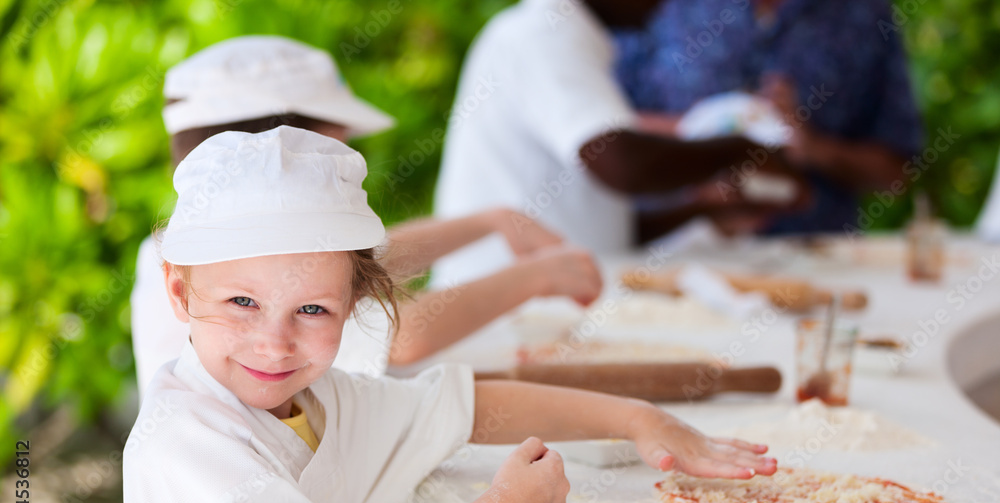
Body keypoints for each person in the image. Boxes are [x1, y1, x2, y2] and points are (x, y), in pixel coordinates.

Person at [123, 126, 777, 503]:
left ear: (356, 306)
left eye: (313, 309)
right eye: (241, 302)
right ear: (180, 293)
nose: (275, 342)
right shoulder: (186, 446)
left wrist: (636, 418)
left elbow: (463, 407)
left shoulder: (320, 401)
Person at [131, 36, 602, 393]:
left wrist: (491, 222)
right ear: (278, 150)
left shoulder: (206, 241)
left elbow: (368, 261)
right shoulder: (224, 255)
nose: (351, 156)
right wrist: (537, 278)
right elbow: (401, 334)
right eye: (338, 146)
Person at [430, 0, 807, 288]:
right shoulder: (543, 36)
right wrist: (739, 149)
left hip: (536, 305)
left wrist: (701, 209)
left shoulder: (565, 39)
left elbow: (604, 227)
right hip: (498, 315)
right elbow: (622, 164)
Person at [613, 0, 924, 238]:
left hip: (815, 266)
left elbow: (895, 175)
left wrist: (816, 148)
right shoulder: (659, 7)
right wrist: (711, 129)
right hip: (670, 256)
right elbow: (600, 128)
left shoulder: (864, 15)